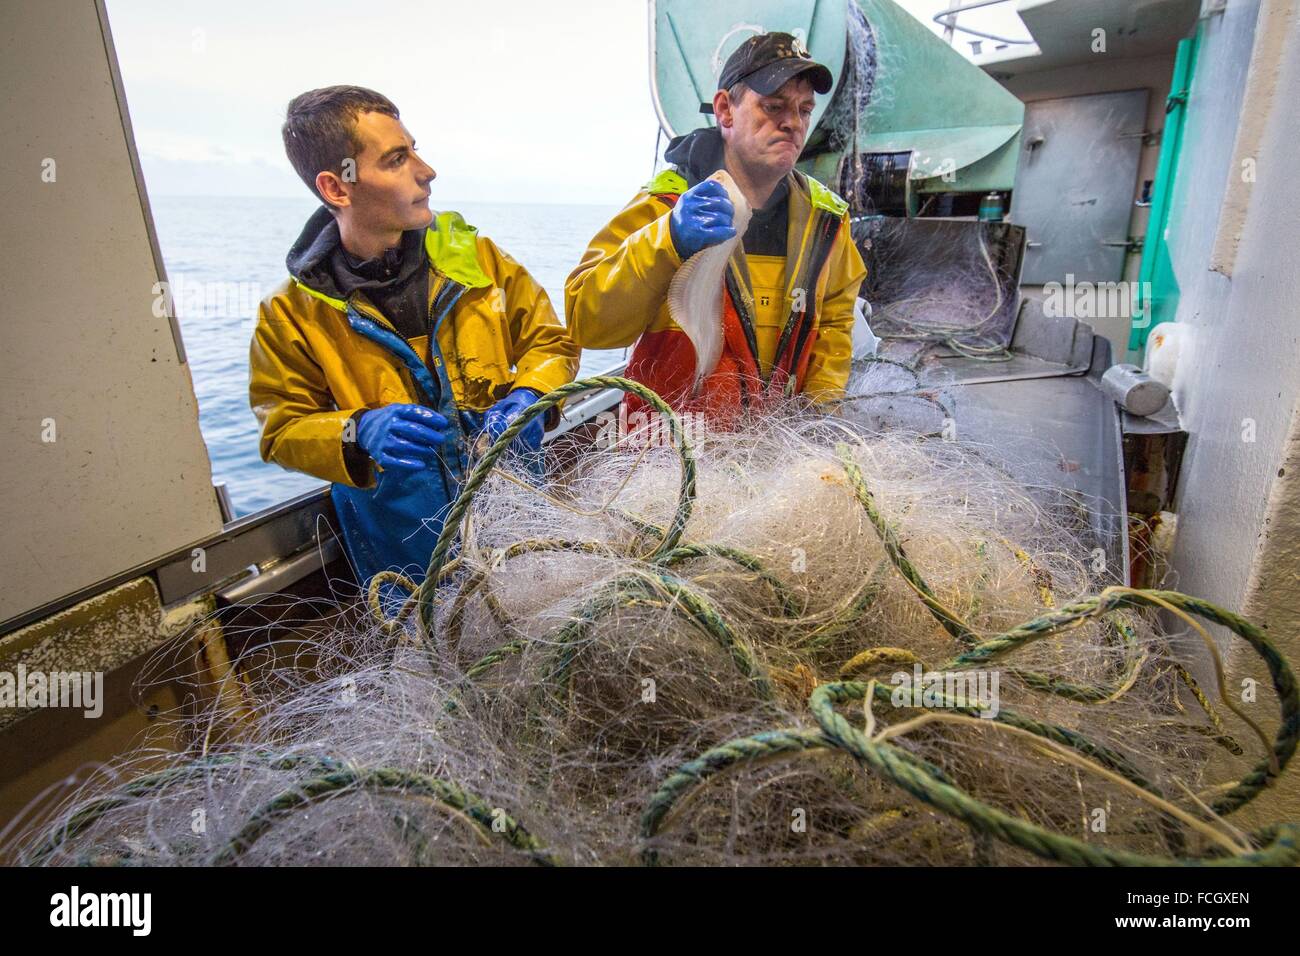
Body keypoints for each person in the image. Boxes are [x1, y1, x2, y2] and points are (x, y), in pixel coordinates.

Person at [249, 86, 578, 587]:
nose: (426, 171)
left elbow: (551, 342)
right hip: (406, 569)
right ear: (338, 188)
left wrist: (533, 393)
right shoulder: (289, 314)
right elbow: (281, 429)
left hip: (521, 534)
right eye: (397, 159)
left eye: (414, 151)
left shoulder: (480, 260)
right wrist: (358, 431)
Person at [565, 32, 867, 428]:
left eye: (804, 109)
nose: (793, 123)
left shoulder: (826, 220)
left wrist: (818, 426)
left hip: (773, 452)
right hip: (668, 452)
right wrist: (667, 239)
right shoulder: (663, 206)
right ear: (725, 109)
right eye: (774, 106)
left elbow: (833, 326)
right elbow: (589, 323)